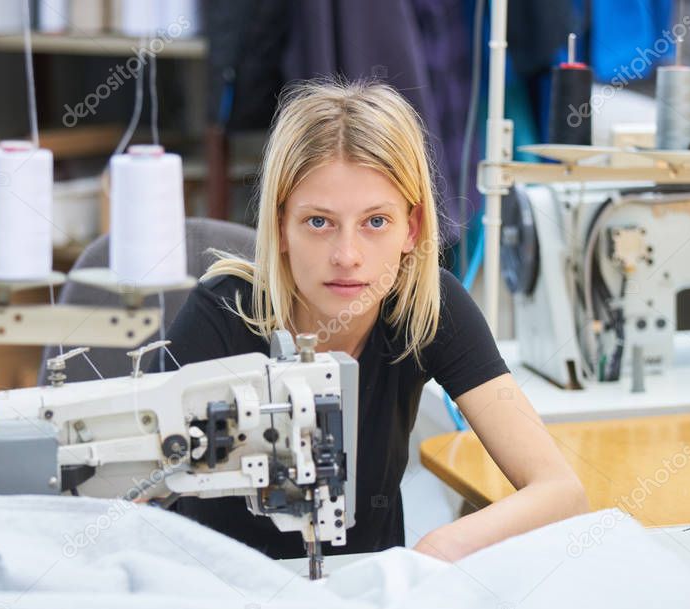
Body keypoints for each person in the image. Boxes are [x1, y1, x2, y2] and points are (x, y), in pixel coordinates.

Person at [162, 79, 587, 562]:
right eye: (319, 222)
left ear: (414, 227)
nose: (347, 256)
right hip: (223, 600)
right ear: (280, 226)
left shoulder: (427, 307)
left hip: (367, 599)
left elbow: (561, 491)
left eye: (376, 222)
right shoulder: (222, 314)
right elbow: (133, 495)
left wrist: (440, 546)